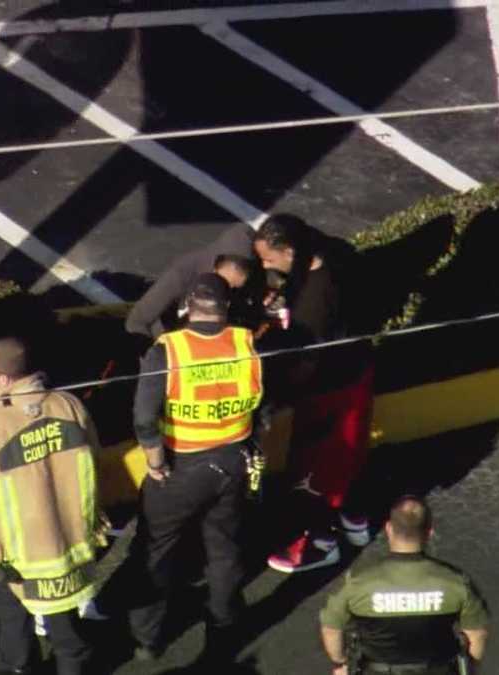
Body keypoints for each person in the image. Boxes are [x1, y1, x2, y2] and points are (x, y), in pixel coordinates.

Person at [0, 337, 107, 675]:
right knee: (64, 627)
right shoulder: (68, 406)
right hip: (65, 544)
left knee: (12, 620)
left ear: (3, 379)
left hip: (11, 556)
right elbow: (94, 458)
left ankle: (19, 667)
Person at [124, 272, 263, 661]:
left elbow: (144, 419)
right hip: (232, 462)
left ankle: (147, 639)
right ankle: (223, 621)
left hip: (178, 467)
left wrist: (154, 464)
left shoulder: (166, 351)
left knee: (156, 551)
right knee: (223, 548)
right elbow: (261, 403)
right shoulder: (246, 342)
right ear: (226, 307)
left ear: (187, 306)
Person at [252, 213, 375, 574]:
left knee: (317, 464)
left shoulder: (315, 300)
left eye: (269, 260)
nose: (265, 266)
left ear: (289, 251)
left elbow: (307, 359)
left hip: (329, 385)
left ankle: (319, 543)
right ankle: (355, 519)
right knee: (349, 456)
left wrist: (274, 395)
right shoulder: (327, 254)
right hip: (356, 370)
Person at [319, 496, 489, 674]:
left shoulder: (357, 582)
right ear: (429, 532)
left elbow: (331, 629)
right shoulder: (456, 582)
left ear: (389, 529)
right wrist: (471, 667)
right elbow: (477, 633)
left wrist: (341, 662)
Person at [125, 220, 259, 338]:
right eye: (224, 285)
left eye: (234, 288)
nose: (227, 293)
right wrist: (157, 357)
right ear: (214, 267)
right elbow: (137, 321)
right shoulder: (181, 274)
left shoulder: (250, 270)